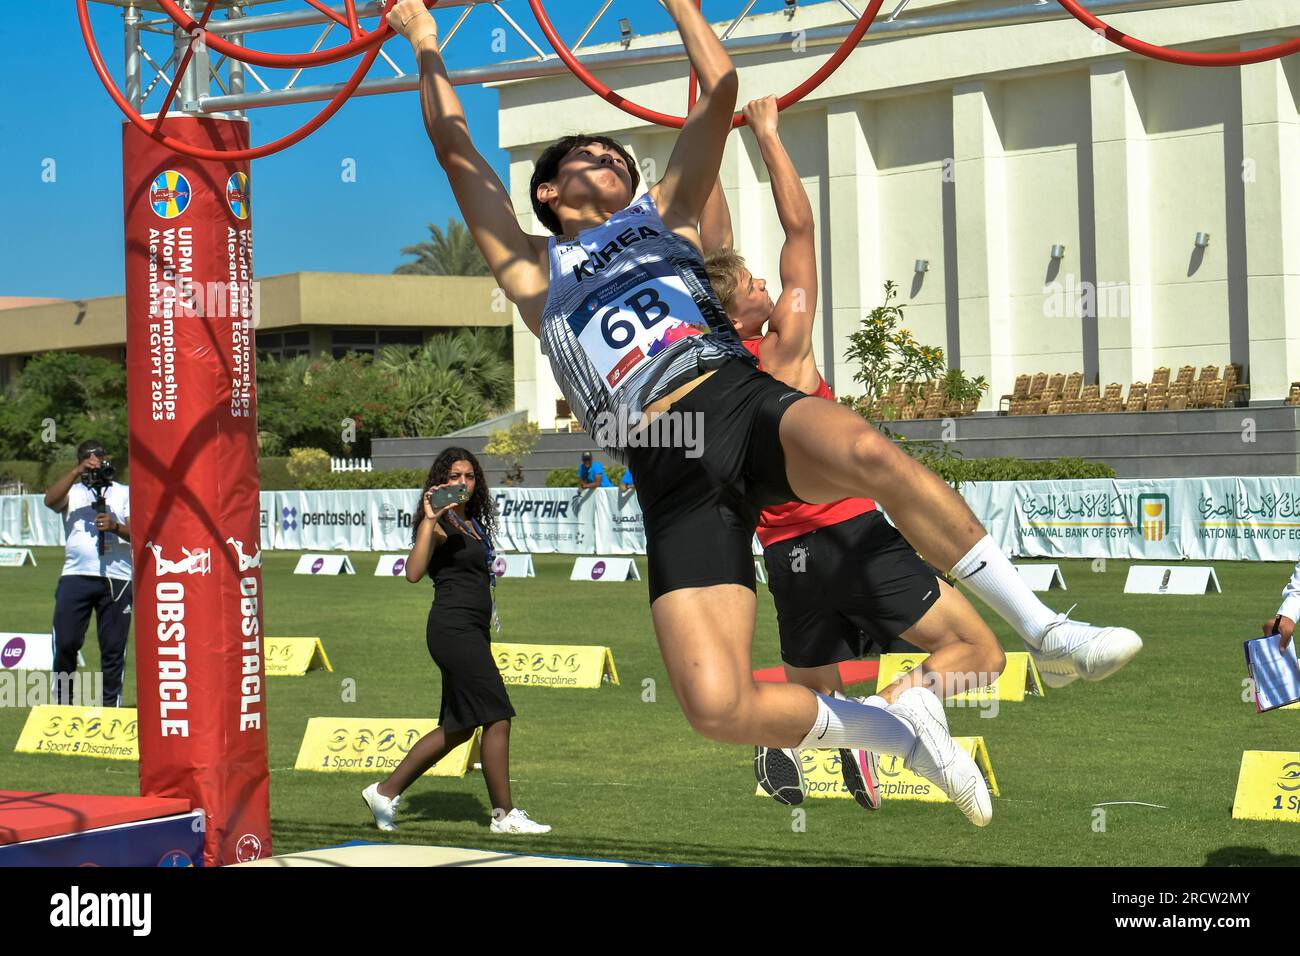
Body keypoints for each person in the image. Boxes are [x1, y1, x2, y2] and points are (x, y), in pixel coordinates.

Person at [386, 0, 1144, 826]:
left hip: (734, 400)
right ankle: (898, 737)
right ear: (548, 187)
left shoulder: (664, 217)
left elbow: (720, 86)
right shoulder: (534, 271)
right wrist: (425, 40)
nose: (610, 158)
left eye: (618, 155)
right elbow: (456, 151)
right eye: (591, 154)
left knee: (870, 454)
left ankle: (1046, 630)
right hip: (665, 465)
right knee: (715, 706)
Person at [698, 98, 1144, 807]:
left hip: (785, 557)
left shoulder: (713, 371)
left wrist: (706, 127)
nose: (767, 287)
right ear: (746, 314)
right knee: (981, 656)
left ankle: (801, 736)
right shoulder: (786, 345)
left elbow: (707, 241)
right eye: (756, 288)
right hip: (849, 531)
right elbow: (800, 227)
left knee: (811, 693)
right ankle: (917, 695)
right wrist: (768, 135)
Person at [362, 447, 549, 835]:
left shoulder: (473, 522)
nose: (463, 482)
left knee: (461, 727)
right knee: (497, 715)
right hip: (452, 630)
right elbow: (413, 572)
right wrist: (430, 520)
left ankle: (385, 791)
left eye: (469, 476)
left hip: (473, 631)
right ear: (441, 481)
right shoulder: (442, 523)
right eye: (455, 476)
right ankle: (504, 816)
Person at [42, 440, 133, 707]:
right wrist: (75, 472)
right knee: (67, 641)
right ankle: (62, 703)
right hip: (76, 575)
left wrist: (115, 526)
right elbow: (50, 500)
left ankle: (110, 706)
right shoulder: (74, 491)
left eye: (99, 459)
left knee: (113, 647)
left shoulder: (124, 492)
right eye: (88, 460)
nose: (95, 464)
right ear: (80, 462)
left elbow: (141, 532)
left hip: (117, 577)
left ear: (107, 459)